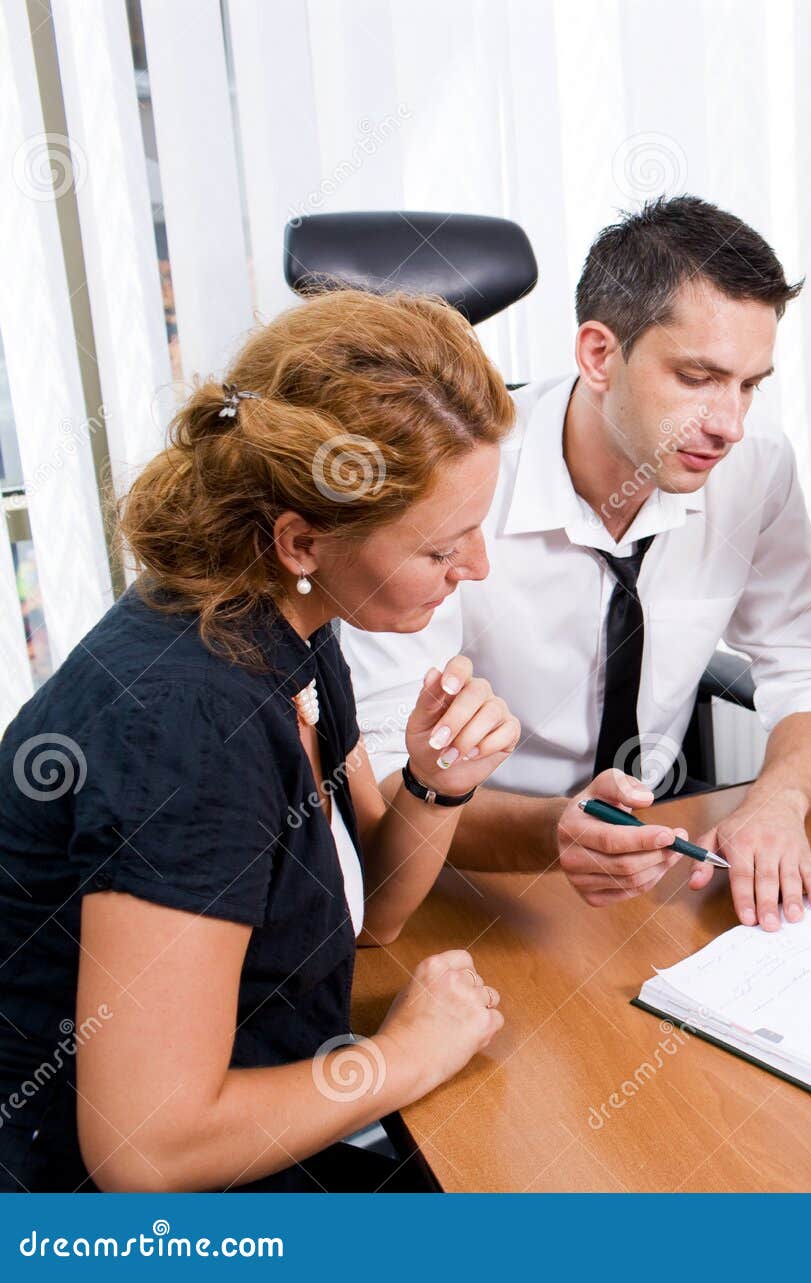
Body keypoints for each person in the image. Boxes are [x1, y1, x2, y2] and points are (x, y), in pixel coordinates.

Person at [0, 289, 523, 1191]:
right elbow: (148, 1151)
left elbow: (372, 916)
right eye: (443, 548)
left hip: (263, 1129)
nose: (477, 567)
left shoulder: (290, 628)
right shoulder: (190, 727)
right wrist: (405, 1055)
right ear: (301, 541)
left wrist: (438, 782)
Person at [342, 196, 811, 934]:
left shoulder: (755, 469)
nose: (730, 425)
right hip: (465, 876)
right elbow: (382, 783)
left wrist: (777, 800)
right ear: (598, 356)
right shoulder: (453, 482)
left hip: (651, 863)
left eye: (751, 384)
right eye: (698, 377)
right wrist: (550, 832)